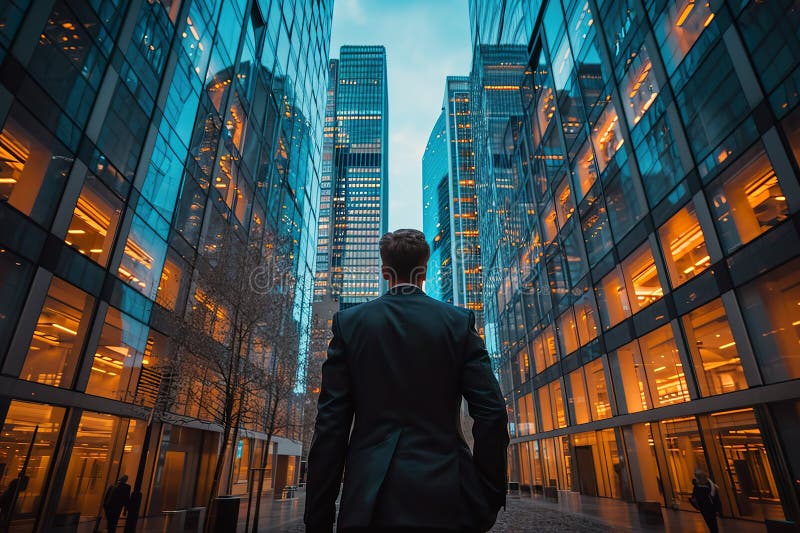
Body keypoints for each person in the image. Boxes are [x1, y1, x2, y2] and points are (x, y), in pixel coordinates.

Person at [304, 229, 509, 533]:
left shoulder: (350, 325)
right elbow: (492, 412)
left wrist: (318, 518)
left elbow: (330, 425)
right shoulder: (457, 323)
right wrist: (489, 493)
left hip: (369, 502)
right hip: (447, 496)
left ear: (384, 271)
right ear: (423, 272)